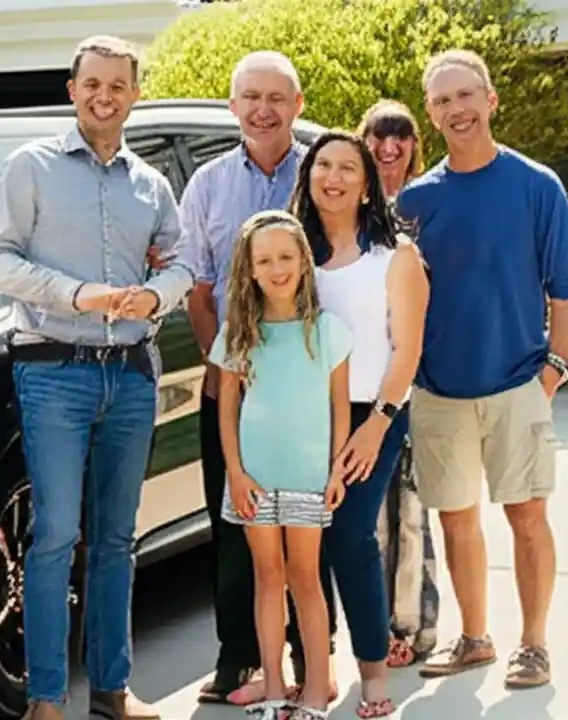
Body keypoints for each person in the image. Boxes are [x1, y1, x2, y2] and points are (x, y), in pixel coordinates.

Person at [0, 34, 196, 720]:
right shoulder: (31, 168)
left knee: (117, 540)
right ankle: (46, 698)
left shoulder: (150, 185)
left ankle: (111, 690)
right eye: (92, 84)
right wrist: (80, 295)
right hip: (54, 375)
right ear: (72, 90)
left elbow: (183, 263)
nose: (105, 96)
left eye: (118, 85)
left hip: (130, 375)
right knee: (55, 538)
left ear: (134, 94)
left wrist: (157, 295)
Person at [397, 49, 568, 690]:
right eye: (443, 101)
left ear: (490, 100)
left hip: (518, 384)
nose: (457, 110)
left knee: (527, 519)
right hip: (438, 391)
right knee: (456, 519)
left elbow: (566, 289)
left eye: (466, 96)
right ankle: (475, 637)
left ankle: (533, 645)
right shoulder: (416, 201)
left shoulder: (537, 185)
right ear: (432, 113)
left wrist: (553, 371)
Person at [178, 49, 338, 706]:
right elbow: (198, 287)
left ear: (297, 106)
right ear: (232, 105)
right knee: (235, 535)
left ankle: (313, 663)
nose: (263, 110)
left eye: (277, 98)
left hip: (311, 396)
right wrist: (224, 375)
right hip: (237, 394)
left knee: (312, 541)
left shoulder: (326, 172)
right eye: (251, 97)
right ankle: (238, 657)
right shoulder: (209, 185)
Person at [290, 130, 431, 718]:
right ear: (309, 176)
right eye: (324, 165)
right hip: (301, 418)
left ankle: (373, 676)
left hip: (372, 412)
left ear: (368, 182)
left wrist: (377, 424)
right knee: (303, 549)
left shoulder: (395, 258)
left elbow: (407, 351)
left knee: (351, 538)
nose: (335, 177)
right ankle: (312, 678)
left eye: (349, 167)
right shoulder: (292, 253)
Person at [207, 209, 350, 720]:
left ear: (304, 263)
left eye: (286, 256)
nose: (276, 268)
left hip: (309, 477)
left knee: (305, 579)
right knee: (267, 578)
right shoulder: (239, 334)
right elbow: (226, 409)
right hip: (254, 479)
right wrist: (236, 473)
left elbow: (339, 406)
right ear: (248, 270)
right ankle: (272, 688)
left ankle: (314, 690)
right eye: (263, 260)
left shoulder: (327, 331)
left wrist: (336, 469)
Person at [357, 100, 442, 668]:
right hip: (362, 381)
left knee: (413, 510)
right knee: (369, 519)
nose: (390, 148)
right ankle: (374, 626)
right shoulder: (350, 212)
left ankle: (413, 626)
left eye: (402, 138)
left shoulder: (423, 208)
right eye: (379, 138)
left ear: (415, 147)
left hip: (420, 379)